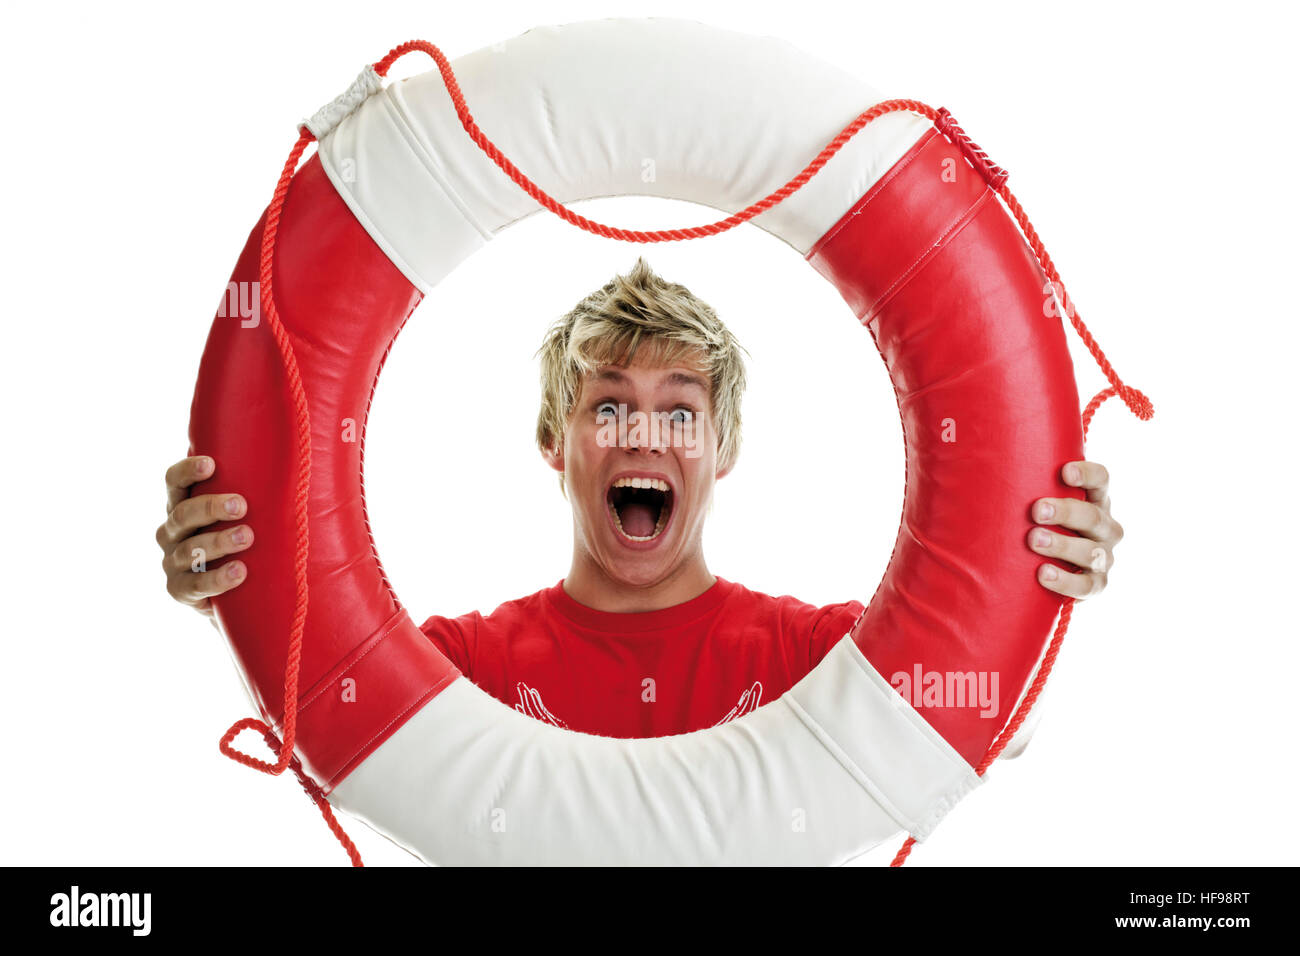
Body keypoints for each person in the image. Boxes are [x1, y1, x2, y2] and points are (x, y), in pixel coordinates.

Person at [158, 257, 1123, 743]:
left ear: (723, 449)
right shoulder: (466, 667)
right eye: (608, 406)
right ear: (554, 443)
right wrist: (232, 599)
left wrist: (1041, 578)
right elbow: (316, 712)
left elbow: (996, 723)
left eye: (679, 411)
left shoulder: (810, 659)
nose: (642, 437)